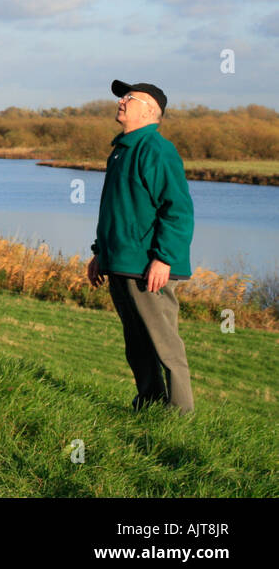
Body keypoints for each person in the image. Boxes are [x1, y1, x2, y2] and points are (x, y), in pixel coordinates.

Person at [86, 80, 195, 414]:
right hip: (120, 261)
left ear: (151, 110)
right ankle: (148, 403)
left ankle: (180, 414)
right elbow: (116, 211)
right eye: (122, 97)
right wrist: (99, 252)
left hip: (148, 265)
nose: (121, 101)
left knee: (164, 343)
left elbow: (178, 210)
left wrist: (164, 258)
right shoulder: (121, 150)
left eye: (129, 97)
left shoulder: (156, 150)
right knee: (136, 342)